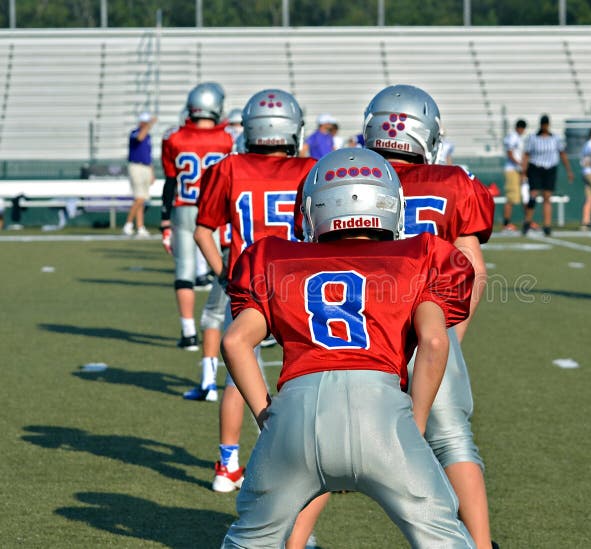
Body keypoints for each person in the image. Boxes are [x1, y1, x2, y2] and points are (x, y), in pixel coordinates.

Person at [221, 147, 477, 548]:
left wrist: (266, 418)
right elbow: (433, 339)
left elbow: (235, 341)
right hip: (383, 413)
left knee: (250, 540)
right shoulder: (421, 255)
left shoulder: (273, 258)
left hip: (295, 414)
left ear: (314, 208)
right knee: (442, 536)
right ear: (391, 204)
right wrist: (418, 420)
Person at [293, 84, 497, 549]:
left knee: (324, 447)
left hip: (355, 327)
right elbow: (473, 272)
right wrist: (445, 337)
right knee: (452, 441)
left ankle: (293, 540)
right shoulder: (454, 183)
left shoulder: (340, 174)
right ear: (427, 134)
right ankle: (482, 544)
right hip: (428, 324)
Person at [191, 90, 317, 500]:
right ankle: (305, 457)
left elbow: (202, 231)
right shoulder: (312, 168)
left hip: (249, 285)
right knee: (308, 371)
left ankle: (227, 465)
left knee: (237, 376)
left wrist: (224, 274)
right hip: (301, 285)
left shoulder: (229, 168)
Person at [160, 82, 234, 351]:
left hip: (184, 207)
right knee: (224, 268)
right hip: (216, 209)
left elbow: (170, 181)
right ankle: (220, 322)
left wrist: (164, 219)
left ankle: (189, 332)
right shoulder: (228, 138)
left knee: (184, 270)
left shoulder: (174, 137)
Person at [521, 114, 574, 236]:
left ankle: (547, 225)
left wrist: (569, 170)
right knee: (533, 196)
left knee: (547, 197)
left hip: (550, 169)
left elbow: (562, 154)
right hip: (535, 168)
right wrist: (523, 172)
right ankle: (527, 222)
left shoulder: (555, 138)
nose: (545, 127)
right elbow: (526, 155)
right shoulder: (533, 138)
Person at [123, 111, 158, 237]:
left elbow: (149, 156)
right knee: (139, 197)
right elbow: (139, 137)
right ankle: (128, 224)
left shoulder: (148, 136)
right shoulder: (135, 133)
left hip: (146, 168)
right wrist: (148, 125)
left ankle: (140, 226)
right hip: (136, 166)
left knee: (142, 199)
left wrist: (152, 173)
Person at [502, 119, 527, 231]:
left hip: (518, 170)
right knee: (511, 197)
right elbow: (510, 153)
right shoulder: (513, 137)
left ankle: (528, 221)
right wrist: (519, 164)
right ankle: (506, 223)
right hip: (512, 170)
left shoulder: (519, 138)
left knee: (524, 196)